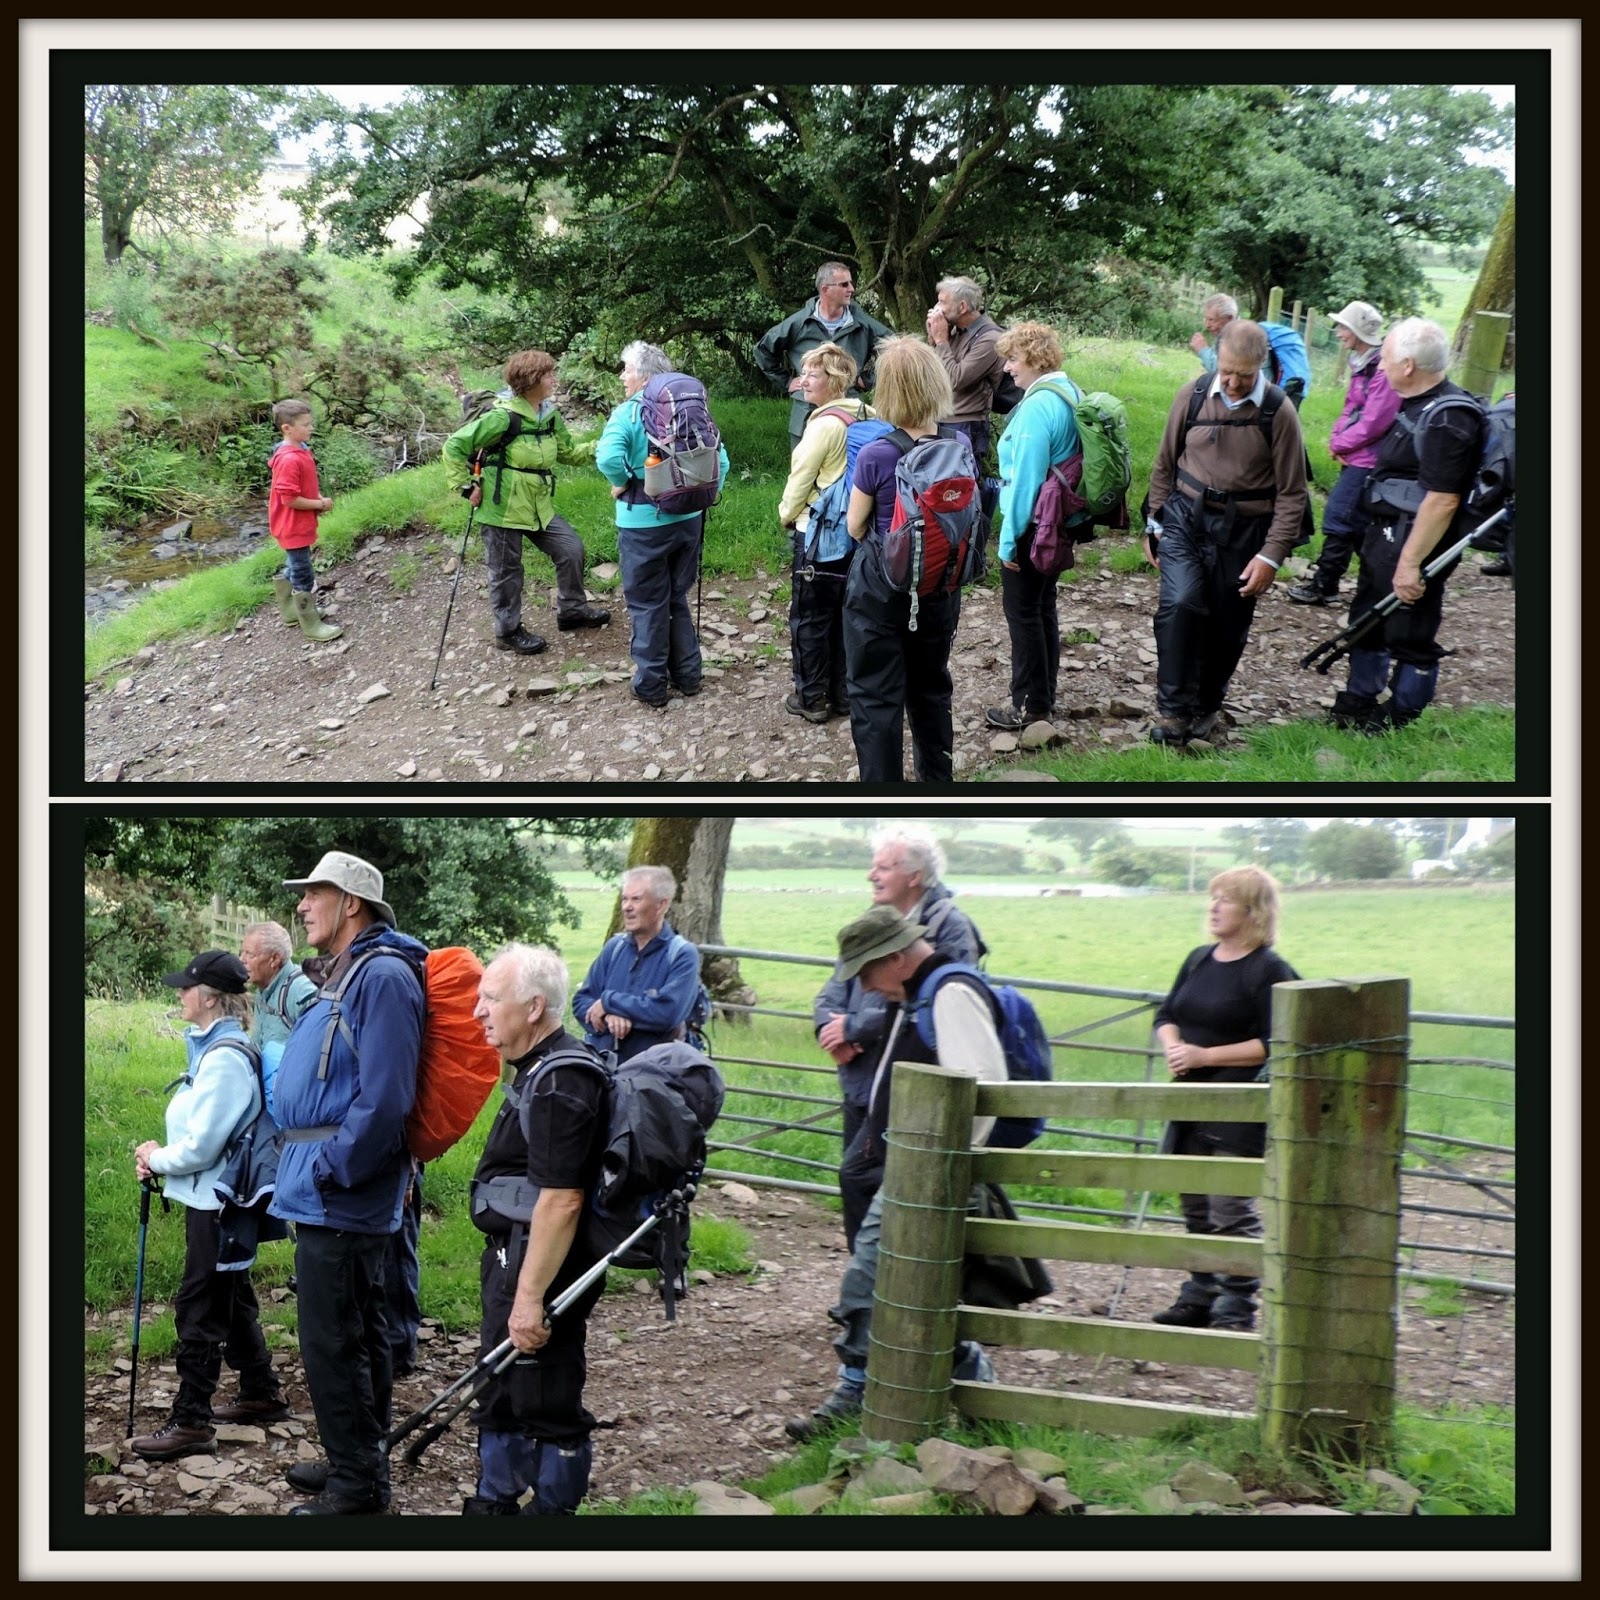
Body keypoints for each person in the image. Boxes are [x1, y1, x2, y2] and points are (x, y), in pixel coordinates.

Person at [787, 907, 1004, 1443]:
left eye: (867, 972)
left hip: (930, 1173)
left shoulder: (949, 993)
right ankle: (985, 1404)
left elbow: (983, 1087)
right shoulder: (918, 994)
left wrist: (943, 1168)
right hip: (911, 1167)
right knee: (905, 1292)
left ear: (900, 958)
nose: (865, 986)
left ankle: (862, 1395)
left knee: (870, 1283)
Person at [269, 850, 427, 1516]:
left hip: (344, 1190)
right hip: (324, 1183)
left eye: (314, 893)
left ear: (351, 904)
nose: (302, 904)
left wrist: (335, 1170)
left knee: (337, 1340)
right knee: (347, 1334)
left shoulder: (383, 976)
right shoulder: (349, 972)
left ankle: (360, 1487)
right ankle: (352, 1459)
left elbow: (386, 1095)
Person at [462, 943, 608, 1515]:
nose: (479, 1011)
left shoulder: (561, 1083)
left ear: (534, 1007)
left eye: (491, 999)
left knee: (545, 1388)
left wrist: (528, 1299)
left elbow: (563, 1199)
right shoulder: (540, 1070)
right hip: (517, 1254)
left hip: (541, 1265)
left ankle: (552, 1513)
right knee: (502, 1380)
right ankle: (495, 1500)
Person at [129, 951, 290, 1459]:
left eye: (185, 988)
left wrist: (158, 1159)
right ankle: (262, 1393)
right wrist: (163, 1159)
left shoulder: (224, 1057)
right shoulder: (212, 1048)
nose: (179, 994)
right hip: (213, 1198)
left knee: (199, 1303)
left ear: (211, 997)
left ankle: (192, 1420)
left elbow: (203, 1146)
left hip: (218, 1203)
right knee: (232, 1294)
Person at [813, 824, 986, 1250]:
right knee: (862, 1180)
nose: (872, 875)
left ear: (915, 876)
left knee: (867, 1177)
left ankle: (882, 1282)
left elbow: (934, 1002)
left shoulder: (950, 926)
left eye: (884, 867)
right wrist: (827, 1028)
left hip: (909, 1084)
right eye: (872, 866)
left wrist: (852, 1027)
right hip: (862, 1079)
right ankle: (870, 1279)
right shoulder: (872, 923)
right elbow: (833, 989)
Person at [1144, 320, 1309, 748]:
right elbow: (1164, 464)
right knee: (1180, 604)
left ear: (1262, 366)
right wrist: (1154, 523)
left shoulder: (1278, 411)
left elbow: (1293, 493)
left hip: (1245, 529)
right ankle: (1174, 710)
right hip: (1184, 516)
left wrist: (1271, 556)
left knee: (1227, 622)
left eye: (1245, 375)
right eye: (1227, 371)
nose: (1233, 383)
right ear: (1217, 359)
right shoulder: (1193, 394)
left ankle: (1208, 704)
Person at [1150, 867, 1299, 1333]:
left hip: (1240, 1106)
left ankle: (1236, 1307)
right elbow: (1167, 1013)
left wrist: (1205, 1054)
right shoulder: (1198, 959)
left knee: (1229, 1208)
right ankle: (1200, 1293)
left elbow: (1282, 1038)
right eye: (1212, 897)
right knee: (1193, 1203)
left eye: (1226, 899)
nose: (1213, 907)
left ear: (1253, 911)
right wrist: (1173, 1045)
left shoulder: (1269, 969)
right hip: (1190, 1098)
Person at [1331, 317, 1488, 733]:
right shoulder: (1418, 402)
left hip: (1417, 539)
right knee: (1368, 614)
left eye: (1384, 360)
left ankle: (1402, 714)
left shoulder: (1449, 419)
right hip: (1386, 530)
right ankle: (1359, 698)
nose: (1379, 368)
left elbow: (1443, 499)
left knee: (1410, 627)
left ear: (1407, 365)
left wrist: (1410, 563)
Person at [841, 336, 971, 784]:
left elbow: (855, 525)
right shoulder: (960, 446)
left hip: (882, 590)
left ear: (886, 391)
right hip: (940, 586)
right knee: (932, 688)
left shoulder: (878, 453)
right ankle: (938, 782)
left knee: (876, 696)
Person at [442, 349, 611, 657]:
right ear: (532, 380)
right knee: (506, 571)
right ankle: (507, 631)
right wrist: (465, 487)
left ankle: (571, 610)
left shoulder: (548, 415)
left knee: (570, 549)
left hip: (537, 504)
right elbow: (454, 446)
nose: (553, 379)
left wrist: (605, 445)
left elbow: (569, 453)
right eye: (548, 375)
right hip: (501, 508)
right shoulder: (501, 417)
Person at [595, 342, 730, 708]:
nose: (622, 375)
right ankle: (688, 675)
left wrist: (622, 480)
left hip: (643, 524)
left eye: (626, 368)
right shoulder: (693, 409)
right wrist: (695, 492)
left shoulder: (628, 412)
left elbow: (606, 456)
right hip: (689, 521)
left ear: (644, 374)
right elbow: (722, 461)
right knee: (675, 596)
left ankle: (651, 685)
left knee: (647, 602)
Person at [984, 320, 1083, 732]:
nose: (1007, 368)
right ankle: (1044, 696)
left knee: (1023, 614)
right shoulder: (1068, 390)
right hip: (1059, 521)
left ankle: (1028, 707)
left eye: (1012, 358)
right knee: (1042, 608)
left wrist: (1007, 545)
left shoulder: (1038, 406)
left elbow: (1024, 483)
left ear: (1035, 358)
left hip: (1034, 526)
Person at [777, 342, 876, 722]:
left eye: (812, 375)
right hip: (857, 530)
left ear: (833, 381)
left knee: (810, 617)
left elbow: (800, 480)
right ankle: (846, 694)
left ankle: (813, 698)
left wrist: (787, 515)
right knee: (846, 613)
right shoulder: (869, 414)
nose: (803, 381)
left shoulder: (823, 424)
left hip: (818, 535)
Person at [1288, 301, 1401, 606]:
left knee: (1340, 515)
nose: (1337, 332)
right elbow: (1351, 407)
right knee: (1357, 521)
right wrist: (1336, 439)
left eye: (1342, 327)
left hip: (1369, 459)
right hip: (1356, 455)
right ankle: (1376, 586)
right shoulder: (1361, 361)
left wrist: (1340, 444)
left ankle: (1326, 585)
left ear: (1356, 331)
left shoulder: (1381, 369)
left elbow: (1376, 421)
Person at [755, 262, 892, 451]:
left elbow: (895, 349)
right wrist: (786, 381)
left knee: (850, 470)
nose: (851, 289)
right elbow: (763, 350)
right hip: (806, 409)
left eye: (850, 283)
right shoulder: (799, 323)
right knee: (804, 472)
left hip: (849, 406)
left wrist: (868, 379)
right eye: (844, 284)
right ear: (826, 289)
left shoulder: (863, 323)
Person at [572, 865, 703, 1064]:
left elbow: (667, 1014)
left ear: (661, 905)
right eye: (624, 899)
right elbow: (581, 1001)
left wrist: (609, 1002)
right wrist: (609, 1018)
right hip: (603, 1073)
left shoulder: (682, 955)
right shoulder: (614, 948)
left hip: (654, 1077)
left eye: (636, 899)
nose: (626, 907)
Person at [267, 398, 341, 642]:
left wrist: (315, 496)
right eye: (306, 425)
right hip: (292, 525)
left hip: (298, 523)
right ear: (287, 428)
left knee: (294, 564)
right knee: (303, 572)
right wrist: (320, 504)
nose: (311, 428)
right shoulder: (289, 458)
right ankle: (310, 623)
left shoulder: (300, 449)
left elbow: (302, 487)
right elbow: (288, 498)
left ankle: (290, 611)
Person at [925, 275, 1005, 465]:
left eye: (942, 302)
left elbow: (954, 380)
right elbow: (936, 367)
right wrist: (933, 335)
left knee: (963, 486)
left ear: (962, 307)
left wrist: (941, 340)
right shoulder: (955, 329)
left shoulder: (990, 339)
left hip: (966, 425)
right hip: (942, 419)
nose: (937, 307)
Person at [1189, 292, 1309, 409]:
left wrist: (1203, 350)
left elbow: (1231, 372)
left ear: (1229, 318)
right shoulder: (1226, 336)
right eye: (1206, 319)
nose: (1207, 325)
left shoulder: (1248, 338)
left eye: (1211, 320)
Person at [239, 920, 316, 1054]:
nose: (241, 960)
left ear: (274, 959)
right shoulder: (263, 989)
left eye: (250, 954)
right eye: (242, 952)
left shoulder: (301, 992)